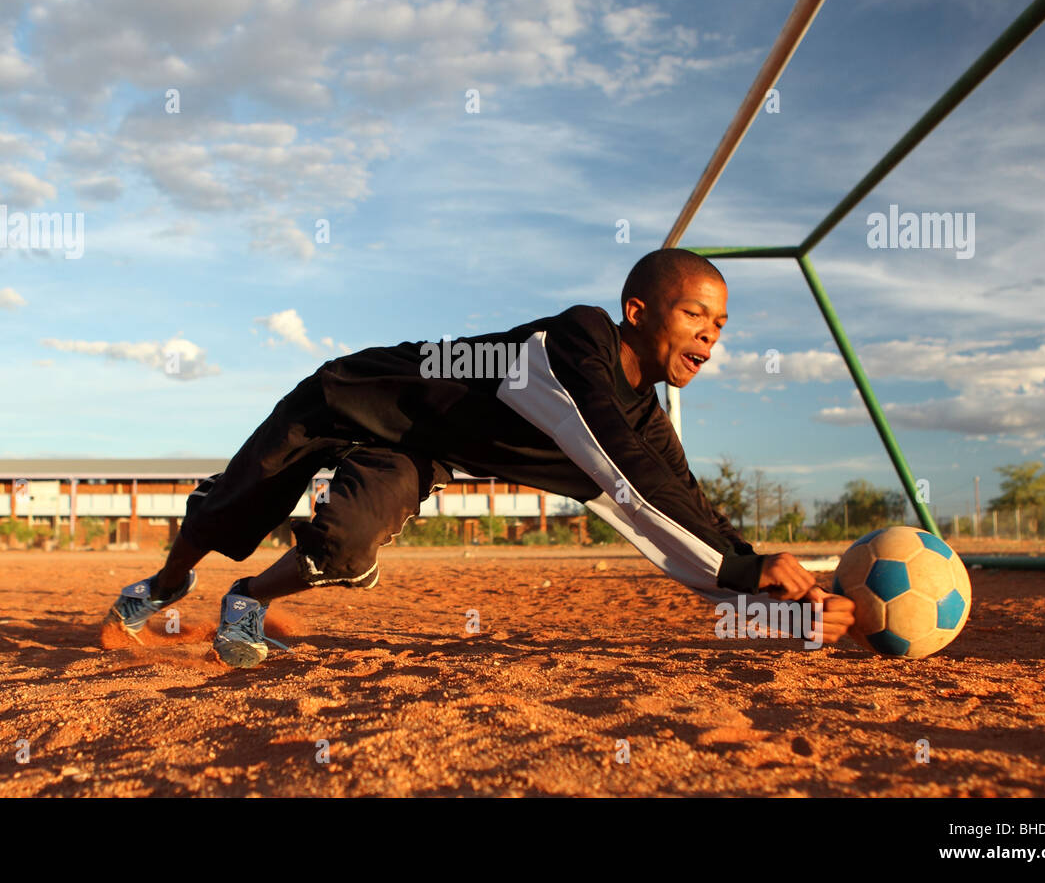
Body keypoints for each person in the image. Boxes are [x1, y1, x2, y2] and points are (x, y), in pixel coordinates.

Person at [103, 248, 856, 666]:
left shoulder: (644, 423)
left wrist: (771, 601)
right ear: (639, 312)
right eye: (696, 313)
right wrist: (738, 572)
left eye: (720, 325)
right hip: (348, 396)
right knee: (238, 498)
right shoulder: (575, 344)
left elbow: (679, 503)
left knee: (346, 543)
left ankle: (249, 601)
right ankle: (167, 581)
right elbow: (624, 470)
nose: (710, 335)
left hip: (421, 453)